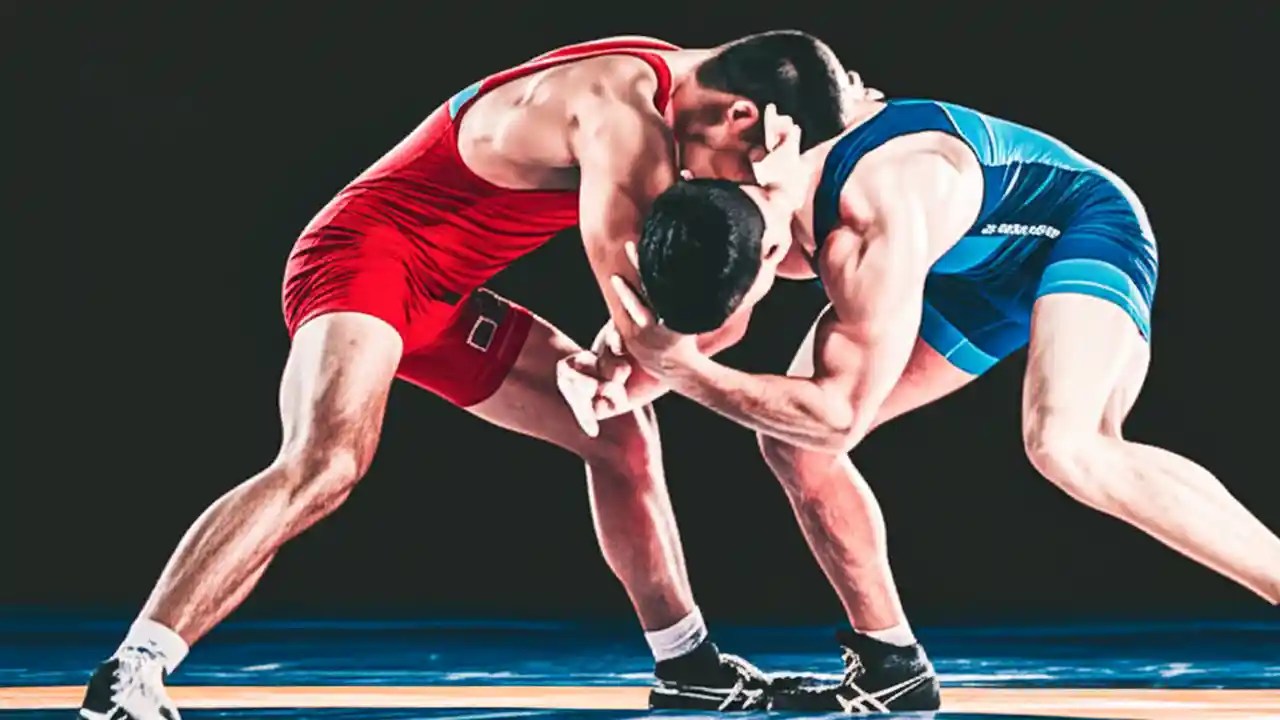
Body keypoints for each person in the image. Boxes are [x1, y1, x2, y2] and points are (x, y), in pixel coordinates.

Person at [77, 32, 861, 720]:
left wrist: (628, 359)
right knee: (326, 462)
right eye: (742, 164)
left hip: (443, 297)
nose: (727, 183)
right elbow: (671, 328)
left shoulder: (670, 90)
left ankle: (689, 667)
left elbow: (672, 319)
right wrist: (772, 200)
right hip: (363, 261)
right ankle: (134, 669)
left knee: (621, 437)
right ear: (742, 115)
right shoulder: (624, 118)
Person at [562, 99, 1280, 713]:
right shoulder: (718, 201)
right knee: (793, 446)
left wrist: (681, 372)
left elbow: (837, 412)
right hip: (964, 267)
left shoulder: (866, 224)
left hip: (1075, 225)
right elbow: (701, 323)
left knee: (1070, 441)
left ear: (774, 244)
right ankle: (892, 666)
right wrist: (613, 367)